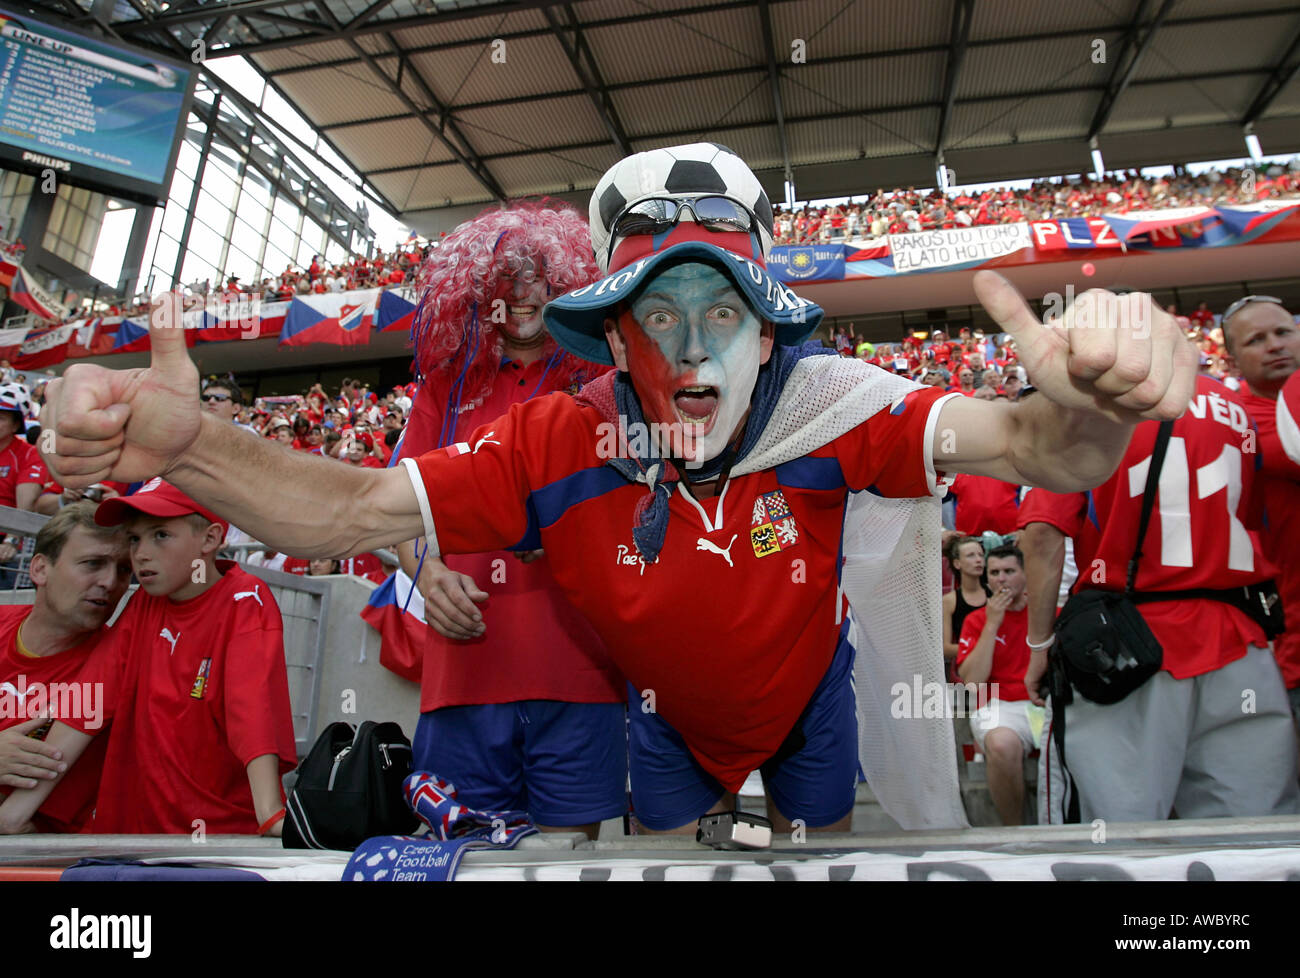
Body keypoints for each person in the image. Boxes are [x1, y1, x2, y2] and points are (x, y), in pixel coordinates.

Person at [36, 143, 1195, 833]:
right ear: (612, 336)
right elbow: (344, 512)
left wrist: (1098, 392)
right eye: (658, 314)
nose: (693, 351)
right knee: (670, 860)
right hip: (659, 717)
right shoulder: (553, 438)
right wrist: (185, 445)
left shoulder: (834, 404)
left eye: (724, 312)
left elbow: (1046, 452)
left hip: (808, 696)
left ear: (769, 326)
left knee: (819, 854)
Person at [393, 203, 625, 839]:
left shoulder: (605, 382)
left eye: (541, 277)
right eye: (506, 279)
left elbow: (642, 509)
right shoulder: (444, 387)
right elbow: (397, 503)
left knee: (566, 866)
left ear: (570, 283)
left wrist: (562, 530)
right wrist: (425, 568)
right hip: (463, 668)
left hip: (579, 668)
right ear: (478, 289)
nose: (522, 294)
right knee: (460, 860)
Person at [1021, 374, 1300, 822]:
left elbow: (1041, 536)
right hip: (1242, 641)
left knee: (1117, 835)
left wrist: (1038, 645)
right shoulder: (1233, 401)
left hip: (1129, 649)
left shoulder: (1080, 404)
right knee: (1253, 837)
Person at [0, 479, 298, 835]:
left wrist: (269, 813)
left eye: (160, 535)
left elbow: (250, 709)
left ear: (210, 539)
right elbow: (92, 702)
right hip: (133, 834)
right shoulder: (143, 605)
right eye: (135, 539)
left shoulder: (244, 598)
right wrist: (15, 813)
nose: (139, 554)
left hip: (218, 835)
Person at [0, 503, 132, 831]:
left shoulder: (121, 666)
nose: (110, 582)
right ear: (40, 569)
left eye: (123, 569)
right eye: (93, 563)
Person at [1221, 295, 1300, 718]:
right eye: (1257, 339)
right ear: (1232, 365)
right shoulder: (1240, 422)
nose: (1274, 345)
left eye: (1283, 332)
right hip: (1292, 632)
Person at [956, 544, 1041, 825]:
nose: (1001, 579)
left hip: (1043, 703)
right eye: (994, 573)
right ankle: (1015, 832)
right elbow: (972, 681)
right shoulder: (976, 620)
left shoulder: (1047, 613)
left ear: (1026, 574)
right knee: (1002, 745)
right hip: (998, 704)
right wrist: (992, 624)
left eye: (1009, 571)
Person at [942, 535, 987, 665]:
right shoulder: (949, 601)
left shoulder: (994, 593)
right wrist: (982, 648)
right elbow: (946, 647)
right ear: (957, 563)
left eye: (980, 555)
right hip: (967, 666)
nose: (978, 560)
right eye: (971, 556)